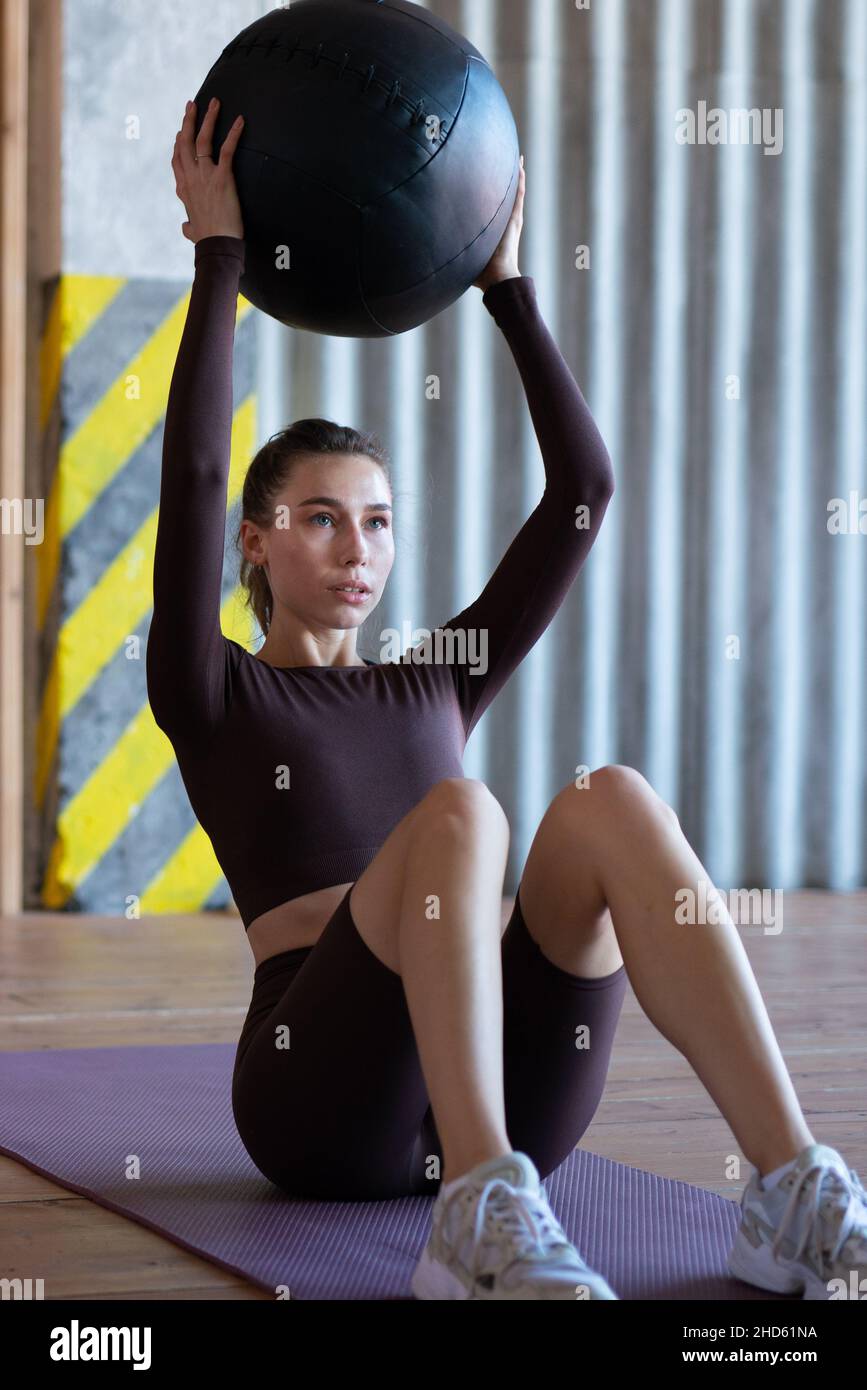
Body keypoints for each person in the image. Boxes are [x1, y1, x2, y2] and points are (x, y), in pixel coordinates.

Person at [148, 97, 867, 1301]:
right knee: (467, 818)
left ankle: (790, 1184)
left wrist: (505, 285)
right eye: (319, 517)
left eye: (377, 521)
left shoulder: (435, 675)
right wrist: (221, 253)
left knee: (609, 801)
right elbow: (197, 465)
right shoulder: (211, 687)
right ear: (256, 545)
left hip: (509, 1080)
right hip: (321, 1101)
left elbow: (585, 483)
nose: (356, 548)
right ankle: (474, 1218)